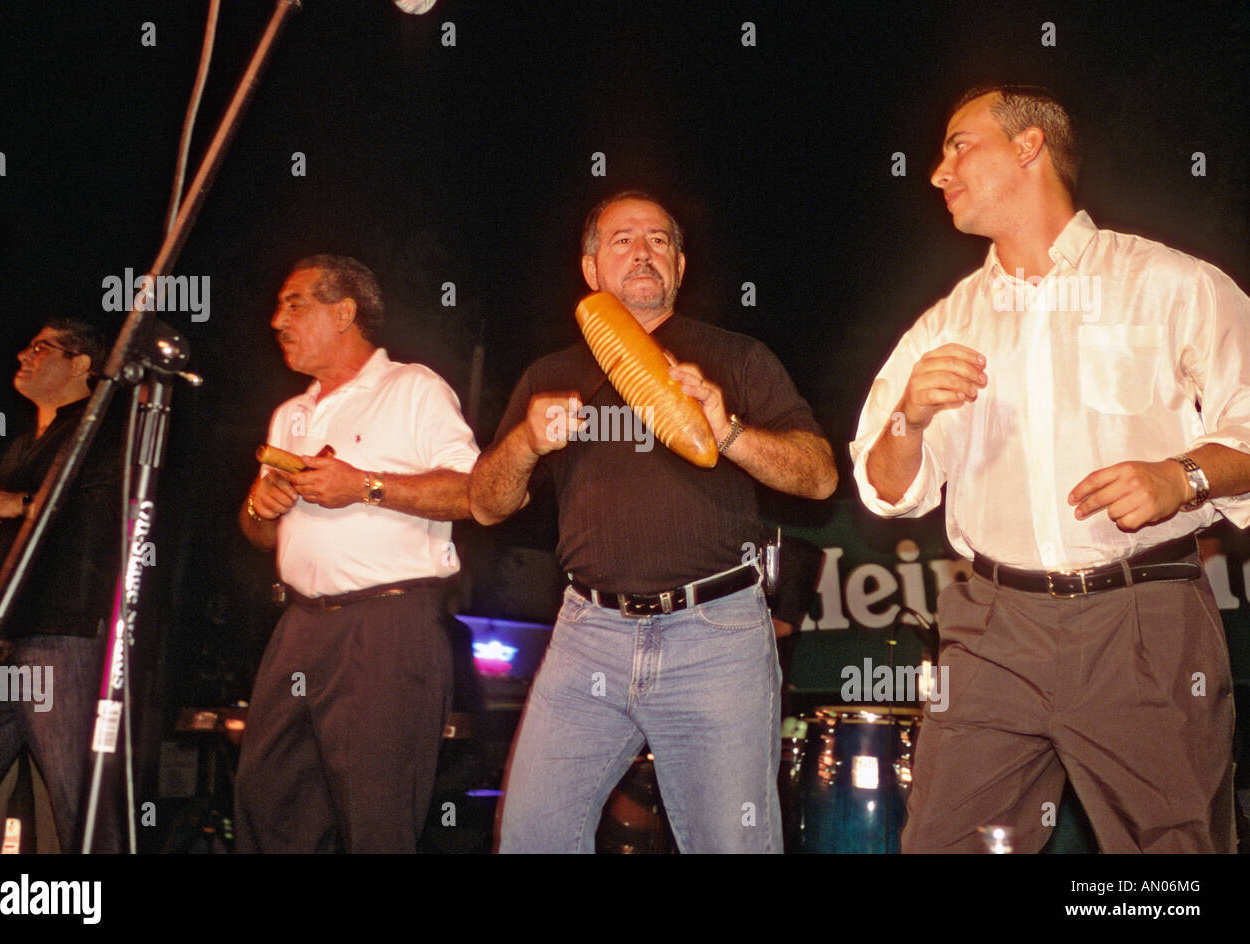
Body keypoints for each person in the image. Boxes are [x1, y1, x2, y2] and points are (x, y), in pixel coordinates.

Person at [850, 86, 1250, 853]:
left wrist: (1184, 477)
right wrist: (910, 416)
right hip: (992, 627)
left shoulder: (1170, 285)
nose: (938, 172)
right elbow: (887, 491)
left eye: (958, 145)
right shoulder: (944, 323)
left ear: (1029, 146)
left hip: (1142, 620)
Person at [471, 191, 837, 853]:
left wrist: (726, 429)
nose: (643, 251)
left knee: (732, 844)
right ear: (591, 270)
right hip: (589, 633)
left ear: (680, 266)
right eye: (621, 239)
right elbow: (484, 504)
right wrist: (526, 440)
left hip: (715, 635)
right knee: (531, 837)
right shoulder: (550, 374)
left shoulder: (735, 357)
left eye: (659, 240)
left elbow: (819, 477)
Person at [236, 254, 478, 853]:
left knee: (376, 818)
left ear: (344, 311)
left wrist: (364, 485)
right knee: (267, 803)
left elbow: (475, 495)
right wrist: (259, 508)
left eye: (295, 304)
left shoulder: (412, 388)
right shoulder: (289, 415)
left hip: (388, 627)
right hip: (298, 625)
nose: (277, 320)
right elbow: (262, 536)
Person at [0, 319, 120, 853]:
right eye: (27, 344)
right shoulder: (24, 445)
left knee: (79, 802)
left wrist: (13, 502)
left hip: (58, 637)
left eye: (42, 347)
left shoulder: (104, 434)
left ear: (81, 365)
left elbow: (99, 514)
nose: (24, 353)